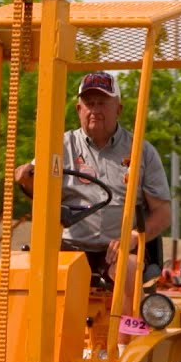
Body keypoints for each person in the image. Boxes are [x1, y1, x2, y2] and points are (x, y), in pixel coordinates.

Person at [15, 70, 171, 281]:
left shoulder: (141, 151)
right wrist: (26, 178)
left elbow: (163, 213)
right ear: (79, 110)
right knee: (36, 274)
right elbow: (38, 187)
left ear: (119, 109)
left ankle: (127, 305)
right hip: (69, 248)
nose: (95, 109)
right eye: (89, 103)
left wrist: (133, 237)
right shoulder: (59, 147)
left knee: (129, 269)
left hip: (119, 250)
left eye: (102, 103)